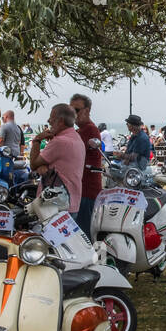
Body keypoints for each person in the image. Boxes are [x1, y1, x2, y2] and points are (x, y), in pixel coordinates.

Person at [67, 94, 102, 233]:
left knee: (83, 235)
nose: (72, 114)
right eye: (70, 110)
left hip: (86, 191)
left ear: (87, 111)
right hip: (80, 190)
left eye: (76, 110)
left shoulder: (89, 129)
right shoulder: (80, 130)